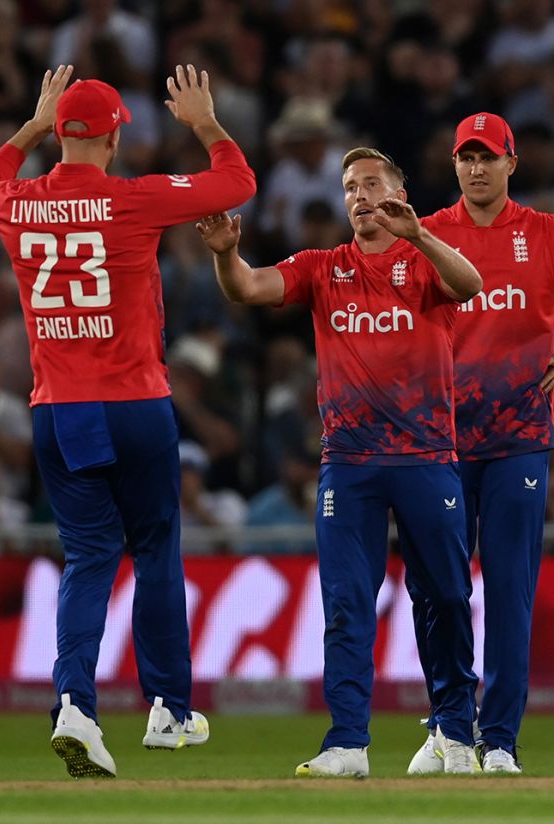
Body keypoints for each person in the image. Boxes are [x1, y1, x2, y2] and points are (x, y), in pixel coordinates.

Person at [0, 64, 255, 778]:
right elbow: (237, 183)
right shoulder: (135, 199)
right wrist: (205, 122)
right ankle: (169, 709)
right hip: (136, 404)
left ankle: (74, 704)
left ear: (60, 135)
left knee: (88, 558)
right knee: (155, 548)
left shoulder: (17, 204)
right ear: (115, 138)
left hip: (60, 409)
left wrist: (29, 129)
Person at [196, 146, 484, 777]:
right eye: (351, 186)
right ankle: (348, 743)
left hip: (425, 455)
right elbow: (247, 287)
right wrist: (224, 255)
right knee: (346, 603)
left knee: (445, 595)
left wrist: (420, 235)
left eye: (372, 183)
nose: (359, 195)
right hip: (349, 462)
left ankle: (454, 731)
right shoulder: (322, 268)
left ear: (399, 193)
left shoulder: (425, 260)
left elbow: (471, 285)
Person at [407, 113, 554, 774]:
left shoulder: (545, 232)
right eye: (466, 157)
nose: (476, 168)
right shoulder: (426, 233)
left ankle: (500, 740)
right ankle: (448, 725)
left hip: (519, 438)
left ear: (512, 163)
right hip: (441, 440)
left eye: (488, 157)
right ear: (454, 165)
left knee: (509, 592)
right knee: (438, 590)